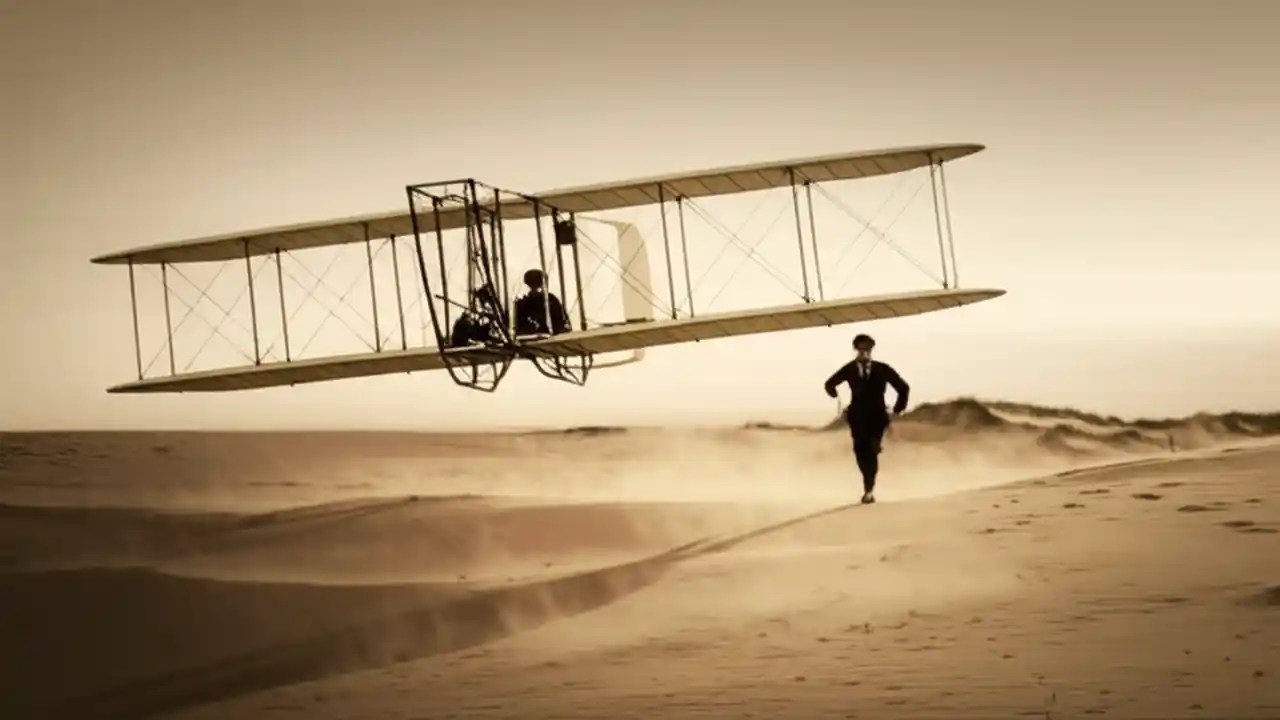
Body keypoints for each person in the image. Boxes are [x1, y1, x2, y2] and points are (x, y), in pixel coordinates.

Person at [823, 333, 909, 504]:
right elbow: (829, 384)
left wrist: (898, 409)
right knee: (860, 452)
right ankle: (868, 483)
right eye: (860, 349)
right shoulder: (849, 369)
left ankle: (868, 490)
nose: (863, 353)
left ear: (871, 350)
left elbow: (903, 388)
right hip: (857, 417)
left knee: (871, 450)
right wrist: (834, 394)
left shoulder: (882, 369)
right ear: (855, 350)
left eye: (866, 349)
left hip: (877, 417)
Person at [514, 268, 569, 336]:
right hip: (530, 339)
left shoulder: (551, 300)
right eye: (533, 284)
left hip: (551, 337)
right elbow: (519, 327)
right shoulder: (522, 304)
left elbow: (562, 321)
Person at [449, 283, 506, 347]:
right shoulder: (477, 306)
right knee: (463, 324)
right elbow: (471, 316)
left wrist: (484, 314)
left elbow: (494, 317)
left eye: (482, 297)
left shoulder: (493, 305)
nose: (480, 300)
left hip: (490, 332)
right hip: (479, 332)